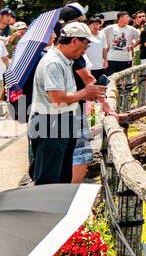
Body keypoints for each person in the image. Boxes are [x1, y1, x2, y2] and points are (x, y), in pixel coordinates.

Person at [28, 23, 106, 185]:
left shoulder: (65, 61)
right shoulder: (53, 62)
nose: (87, 48)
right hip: (50, 122)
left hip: (62, 121)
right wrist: (86, 93)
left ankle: (56, 208)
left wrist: (84, 95)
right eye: (86, 43)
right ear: (75, 40)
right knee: (49, 178)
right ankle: (46, 208)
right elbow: (58, 99)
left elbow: (65, 95)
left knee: (62, 174)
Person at [104, 11, 136, 78]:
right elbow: (100, 35)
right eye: (127, 17)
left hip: (126, 59)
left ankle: (123, 88)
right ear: (120, 18)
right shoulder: (110, 28)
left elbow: (140, 38)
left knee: (125, 79)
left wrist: (132, 46)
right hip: (112, 58)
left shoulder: (132, 29)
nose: (129, 19)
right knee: (110, 78)